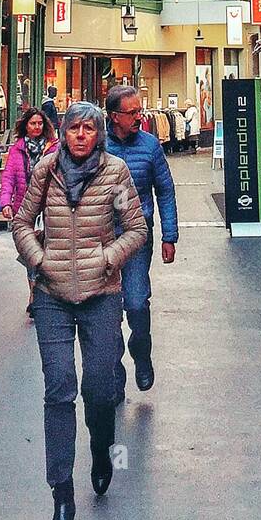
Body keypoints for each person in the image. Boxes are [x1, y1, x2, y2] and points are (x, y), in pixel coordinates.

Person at [11, 102, 147, 520]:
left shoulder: (116, 172)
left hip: (101, 297)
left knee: (100, 388)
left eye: (90, 129)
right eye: (74, 129)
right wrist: (39, 259)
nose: (81, 136)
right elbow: (21, 221)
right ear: (64, 132)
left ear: (99, 133)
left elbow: (136, 229)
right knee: (58, 390)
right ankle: (62, 501)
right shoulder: (46, 170)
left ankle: (103, 445)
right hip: (51, 296)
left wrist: (108, 258)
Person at [104, 84, 178, 403]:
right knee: (107, 311)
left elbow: (165, 190)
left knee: (135, 301)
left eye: (140, 110)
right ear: (114, 116)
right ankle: (114, 373)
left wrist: (169, 235)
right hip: (101, 238)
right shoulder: (96, 146)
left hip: (137, 235)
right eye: (132, 112)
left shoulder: (150, 145)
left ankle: (142, 352)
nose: (139, 116)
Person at [0, 106, 58, 318]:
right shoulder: (17, 150)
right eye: (33, 123)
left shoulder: (54, 149)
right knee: (29, 251)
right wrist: (5, 201)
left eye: (40, 123)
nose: (37, 127)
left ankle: (42, 296)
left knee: (47, 250)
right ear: (25, 126)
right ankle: (34, 294)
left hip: (50, 207)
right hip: (26, 209)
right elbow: (8, 177)